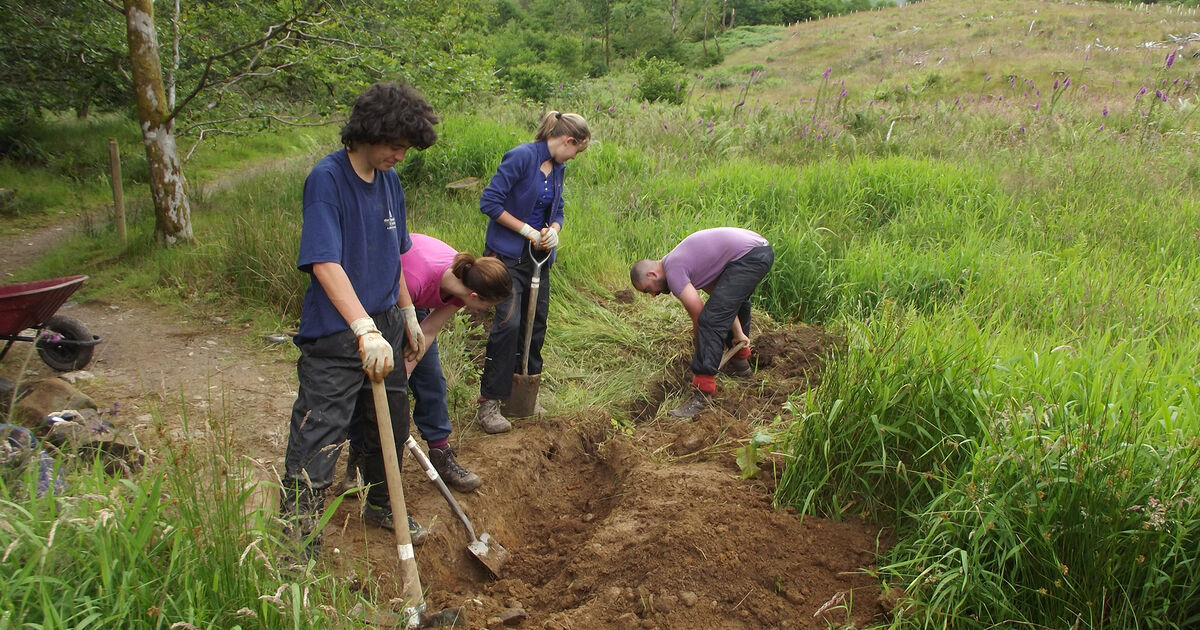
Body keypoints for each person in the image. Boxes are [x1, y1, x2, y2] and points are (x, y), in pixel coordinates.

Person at [279, 82, 437, 559]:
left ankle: (382, 505)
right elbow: (325, 262)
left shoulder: (390, 179)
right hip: (337, 332)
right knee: (319, 433)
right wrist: (362, 327)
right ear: (369, 133)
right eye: (395, 146)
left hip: (386, 322)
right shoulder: (327, 180)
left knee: (389, 423)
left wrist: (407, 311)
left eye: (406, 149)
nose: (400, 156)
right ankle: (297, 539)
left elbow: (394, 256)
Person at [343, 233, 513, 492]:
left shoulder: (465, 283)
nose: (484, 310)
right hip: (382, 297)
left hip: (415, 304)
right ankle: (358, 457)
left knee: (431, 379)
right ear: (476, 296)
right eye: (488, 305)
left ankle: (441, 456)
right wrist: (394, 377)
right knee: (369, 382)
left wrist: (405, 374)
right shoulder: (419, 278)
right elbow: (390, 300)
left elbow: (429, 330)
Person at [474, 111, 591, 433]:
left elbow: (559, 207)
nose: (574, 157)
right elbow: (490, 203)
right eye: (576, 150)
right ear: (568, 141)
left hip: (538, 258)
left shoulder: (558, 168)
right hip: (507, 256)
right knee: (508, 324)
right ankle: (490, 402)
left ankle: (524, 396)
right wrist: (526, 229)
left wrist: (554, 228)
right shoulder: (522, 157)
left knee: (535, 323)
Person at [629, 227, 775, 418]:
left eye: (649, 290)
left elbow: (700, 315)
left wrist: (700, 354)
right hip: (755, 251)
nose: (654, 295)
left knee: (709, 319)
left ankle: (702, 395)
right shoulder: (690, 264)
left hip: (750, 256)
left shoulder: (673, 269)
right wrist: (738, 333)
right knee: (724, 308)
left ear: (651, 275)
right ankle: (742, 367)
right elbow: (722, 303)